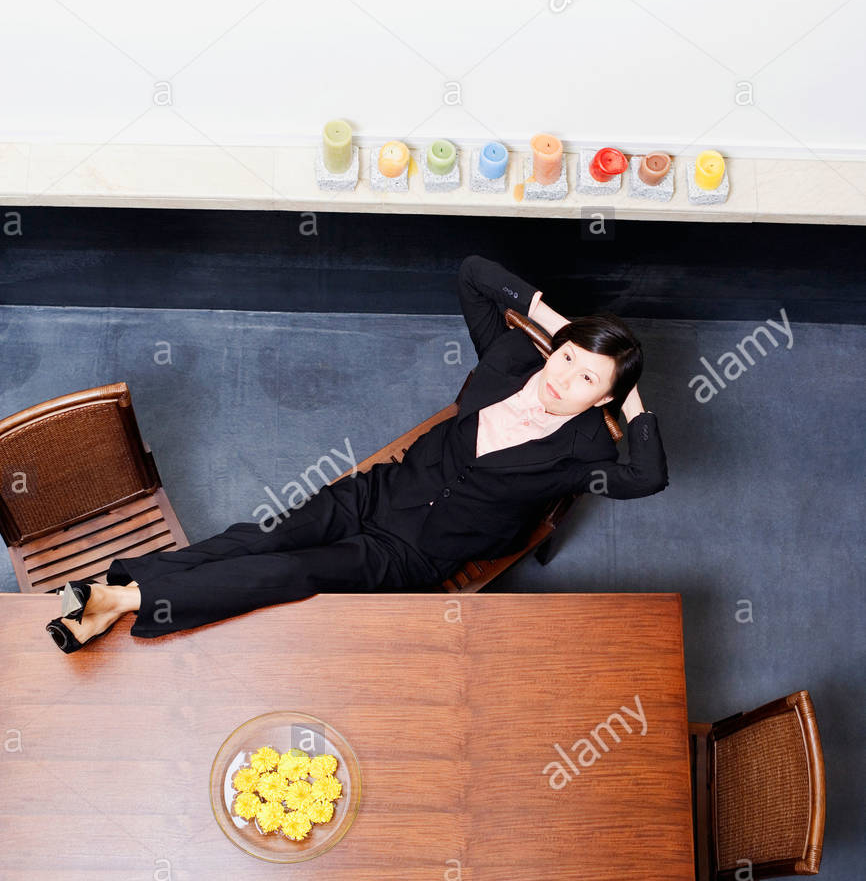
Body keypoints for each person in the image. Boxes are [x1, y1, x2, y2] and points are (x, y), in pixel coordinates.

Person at [45, 254, 668, 651]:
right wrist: (555, 326)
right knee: (262, 536)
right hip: (379, 490)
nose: (562, 379)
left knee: (295, 572)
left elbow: (650, 475)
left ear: (601, 400)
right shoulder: (510, 360)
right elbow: (475, 273)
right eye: (565, 358)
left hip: (416, 551)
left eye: (588, 379)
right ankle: (118, 593)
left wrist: (628, 393)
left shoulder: (585, 445)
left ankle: (123, 597)